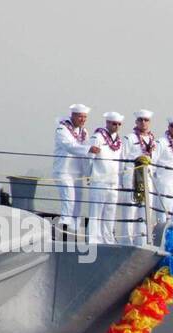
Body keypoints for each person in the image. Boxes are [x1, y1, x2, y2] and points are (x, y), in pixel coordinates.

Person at [86, 111, 126, 245]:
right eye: (114, 123)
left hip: (113, 182)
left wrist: (120, 180)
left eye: (119, 124)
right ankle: (93, 239)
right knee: (96, 212)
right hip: (99, 180)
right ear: (108, 123)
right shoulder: (97, 137)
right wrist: (89, 175)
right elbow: (89, 159)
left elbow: (121, 162)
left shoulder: (119, 141)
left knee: (110, 212)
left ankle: (108, 239)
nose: (116, 126)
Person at [52, 103, 91, 236]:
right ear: (73, 116)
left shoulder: (83, 132)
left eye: (85, 117)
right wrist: (89, 149)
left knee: (78, 201)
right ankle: (64, 227)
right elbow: (70, 146)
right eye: (80, 117)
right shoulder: (62, 129)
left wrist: (88, 172)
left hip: (77, 172)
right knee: (69, 199)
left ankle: (74, 229)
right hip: (63, 171)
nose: (83, 120)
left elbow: (86, 155)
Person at [121, 109, 158, 245]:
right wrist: (122, 180)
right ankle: (126, 240)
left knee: (146, 209)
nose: (143, 122)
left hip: (146, 177)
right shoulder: (129, 138)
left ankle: (141, 240)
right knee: (130, 210)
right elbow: (123, 159)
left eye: (146, 120)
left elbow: (154, 161)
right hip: (131, 176)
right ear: (136, 122)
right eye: (141, 120)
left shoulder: (152, 140)